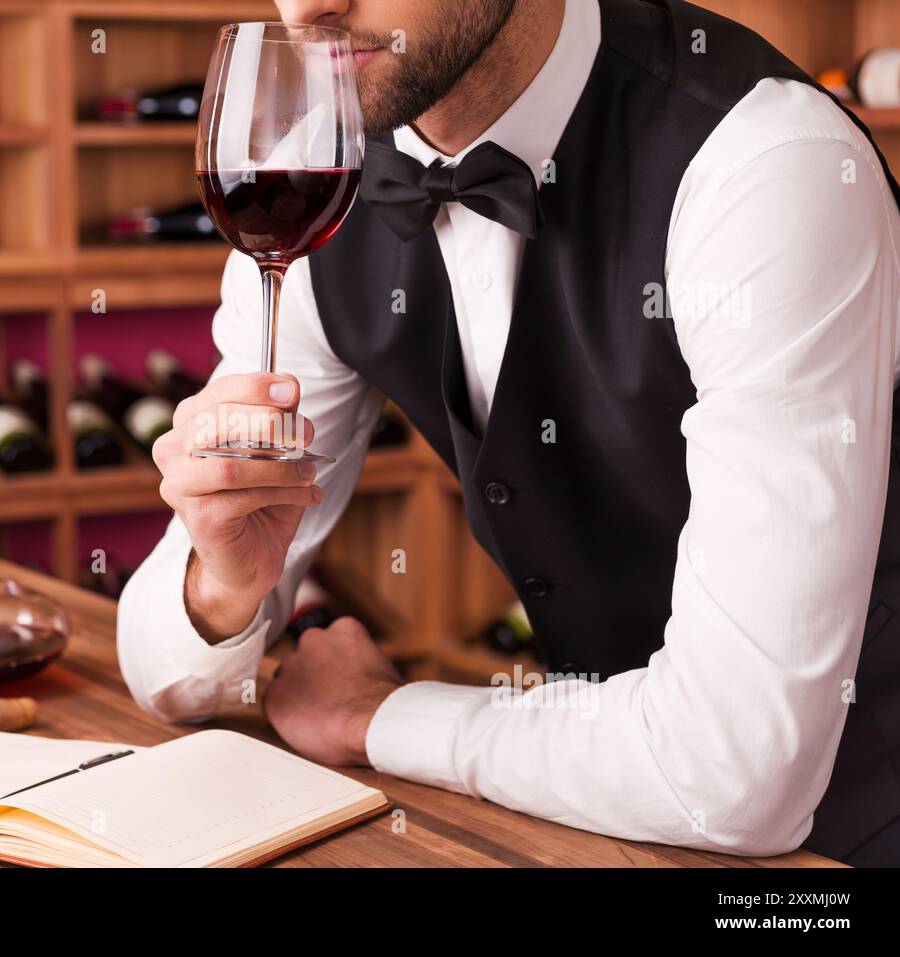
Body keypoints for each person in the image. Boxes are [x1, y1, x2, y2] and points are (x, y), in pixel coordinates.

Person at [117, 0, 900, 866]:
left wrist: (378, 715)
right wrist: (223, 583)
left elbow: (739, 775)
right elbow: (161, 669)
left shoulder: (766, 164)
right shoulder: (319, 183)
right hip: (600, 828)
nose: (308, 7)